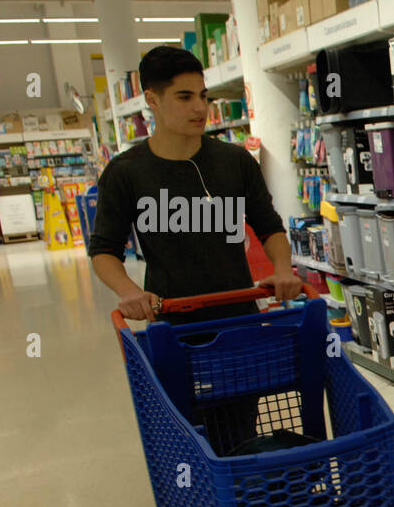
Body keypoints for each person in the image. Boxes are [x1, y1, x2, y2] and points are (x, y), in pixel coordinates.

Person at [88, 45, 301, 323]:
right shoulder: (125, 172)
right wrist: (130, 292)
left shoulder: (235, 161)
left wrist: (283, 269)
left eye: (203, 96)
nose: (200, 108)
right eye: (184, 97)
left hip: (238, 315)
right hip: (170, 322)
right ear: (152, 100)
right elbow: (104, 249)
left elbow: (269, 227)